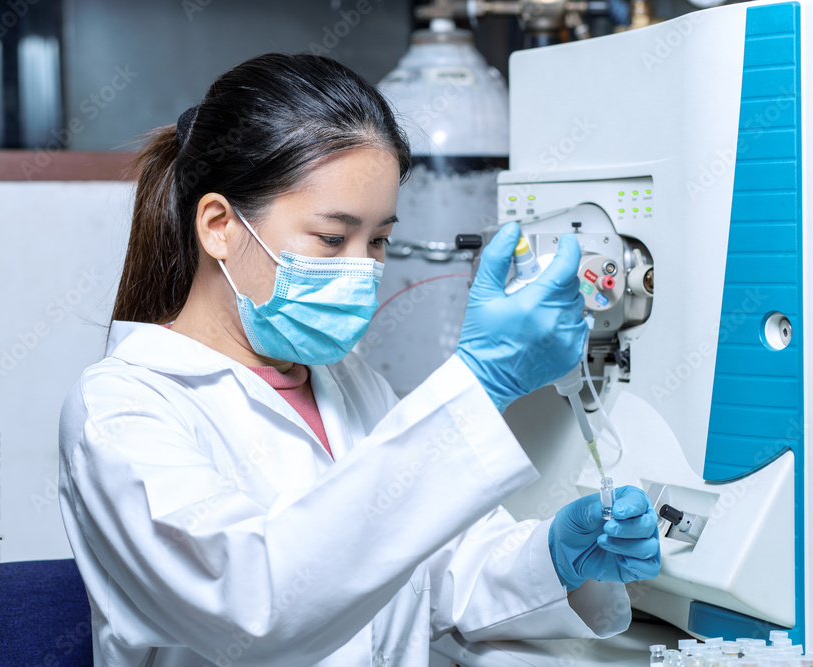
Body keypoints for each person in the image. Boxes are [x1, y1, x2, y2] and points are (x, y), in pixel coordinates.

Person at [58, 52, 660, 666]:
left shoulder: (349, 385)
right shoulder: (122, 410)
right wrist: (482, 385)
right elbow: (255, 605)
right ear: (218, 225)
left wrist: (554, 559)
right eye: (331, 237)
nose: (361, 268)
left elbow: (433, 573)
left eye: (378, 240)